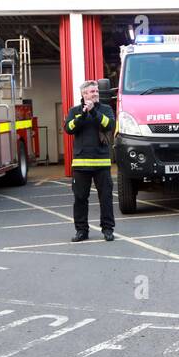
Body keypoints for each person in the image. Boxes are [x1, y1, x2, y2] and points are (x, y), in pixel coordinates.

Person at [65, 80, 116, 242]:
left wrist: (94, 112)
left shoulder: (106, 109)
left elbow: (110, 125)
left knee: (106, 198)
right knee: (80, 199)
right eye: (92, 92)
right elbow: (69, 128)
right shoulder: (75, 111)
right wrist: (83, 114)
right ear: (84, 94)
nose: (95, 94)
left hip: (101, 162)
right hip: (81, 164)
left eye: (96, 91)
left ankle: (108, 229)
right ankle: (82, 231)